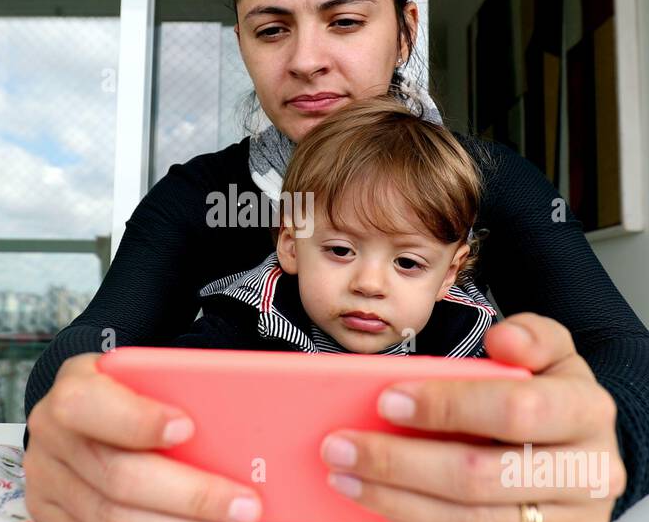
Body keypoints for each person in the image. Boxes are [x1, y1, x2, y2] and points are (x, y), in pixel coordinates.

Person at [22, 0, 649, 522]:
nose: (307, 58)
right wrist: (66, 426)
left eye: (344, 21)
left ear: (406, 31)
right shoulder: (194, 198)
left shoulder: (493, 183)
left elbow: (635, 358)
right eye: (271, 28)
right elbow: (89, 346)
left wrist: (606, 452)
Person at [174, 95, 497, 357]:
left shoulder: (465, 331)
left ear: (448, 274)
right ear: (291, 245)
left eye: (407, 263)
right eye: (341, 251)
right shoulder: (244, 321)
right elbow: (175, 387)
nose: (369, 285)